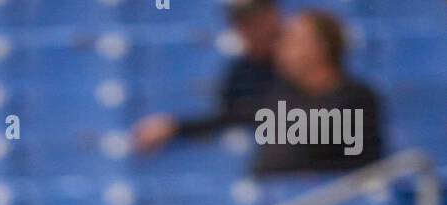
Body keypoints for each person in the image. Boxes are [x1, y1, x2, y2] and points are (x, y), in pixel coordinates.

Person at [131, 0, 282, 155]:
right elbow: (229, 119)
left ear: (272, 16)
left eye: (255, 19)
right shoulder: (241, 71)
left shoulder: (297, 62)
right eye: (241, 21)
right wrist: (174, 127)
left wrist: (177, 127)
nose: (249, 28)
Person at [253, 8, 382, 175]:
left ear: (320, 48)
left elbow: (291, 159)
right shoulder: (285, 96)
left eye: (292, 42)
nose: (280, 50)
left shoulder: (357, 99)